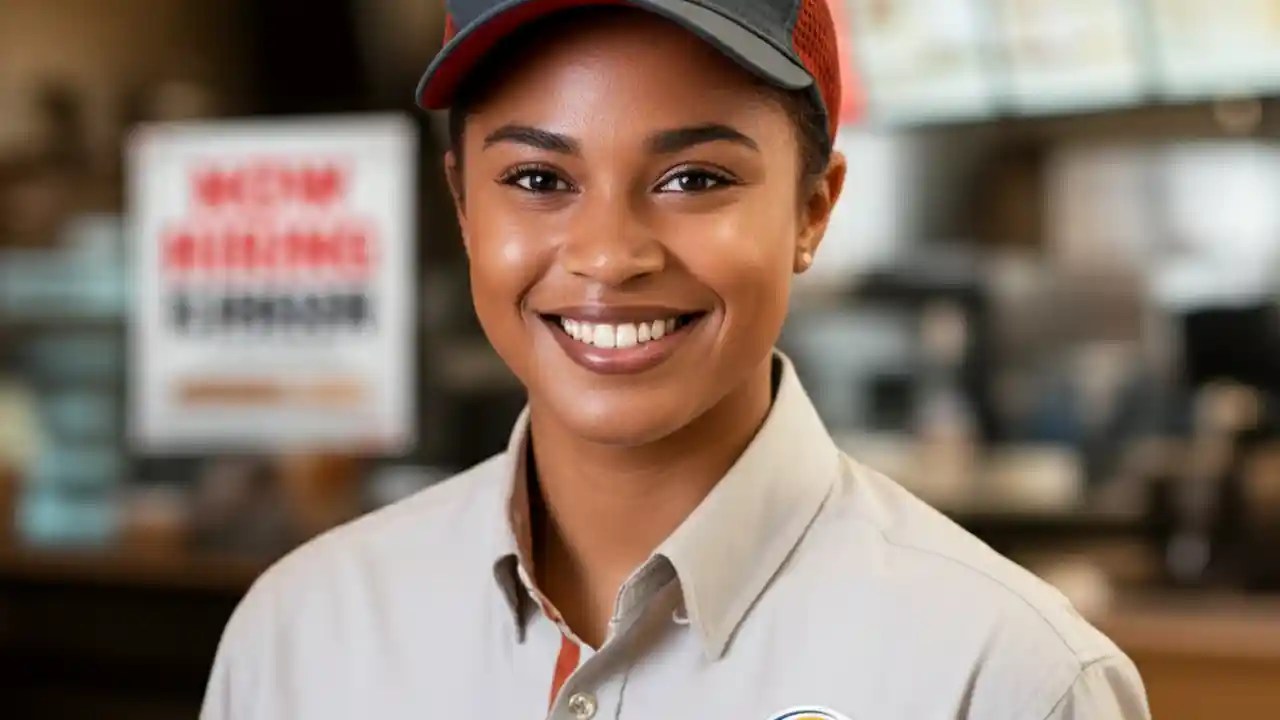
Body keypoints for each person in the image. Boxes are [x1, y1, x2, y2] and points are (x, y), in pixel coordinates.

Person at [201, 1, 1150, 718]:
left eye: (695, 178)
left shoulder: (1007, 677)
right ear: (462, 206)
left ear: (813, 209)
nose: (610, 254)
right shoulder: (300, 635)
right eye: (538, 179)